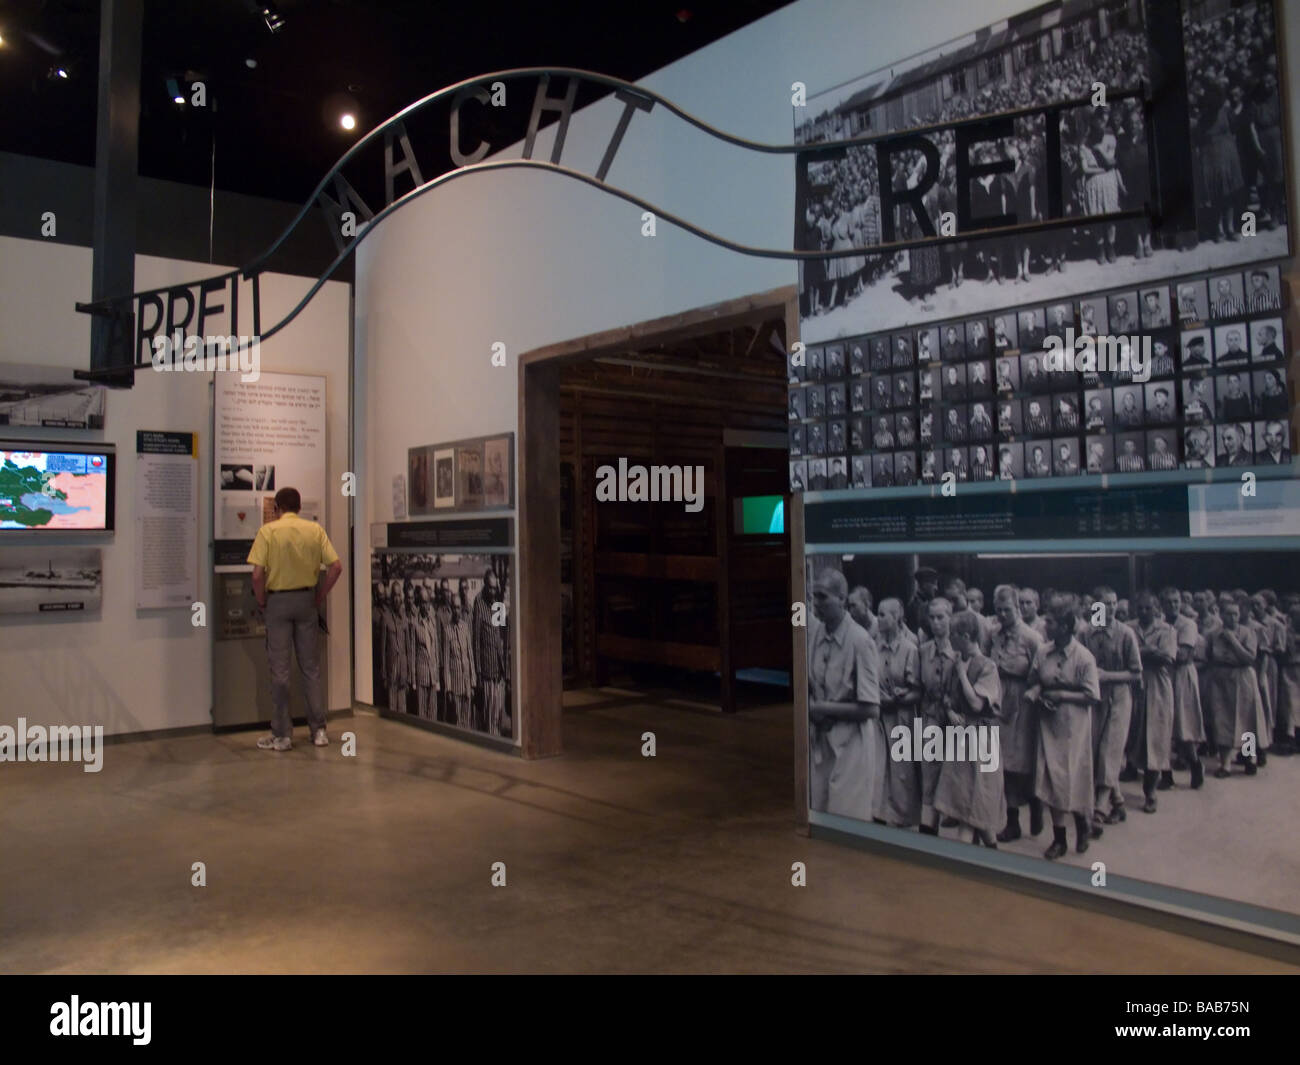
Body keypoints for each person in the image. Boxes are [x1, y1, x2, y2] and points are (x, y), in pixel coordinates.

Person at [248, 487, 343, 750]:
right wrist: (320, 595)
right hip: (306, 602)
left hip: (277, 602)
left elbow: (257, 576)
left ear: (277, 508)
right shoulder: (315, 530)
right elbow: (336, 566)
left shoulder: (268, 532)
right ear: (300, 507)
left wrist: (262, 601)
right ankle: (318, 731)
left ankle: (282, 735)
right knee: (310, 669)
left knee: (280, 672)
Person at [1025, 594, 1101, 859]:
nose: (1046, 626)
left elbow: (1092, 695)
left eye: (1052, 622)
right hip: (1048, 725)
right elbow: (1034, 679)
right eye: (1046, 620)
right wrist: (1035, 691)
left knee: (1074, 777)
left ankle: (1082, 824)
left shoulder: (1084, 658)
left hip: (1074, 727)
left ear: (1067, 626)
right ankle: (1059, 839)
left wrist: (1062, 695)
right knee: (1051, 780)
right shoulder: (1043, 652)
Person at [808, 568, 886, 821]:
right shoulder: (816, 635)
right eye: (813, 596)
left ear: (842, 599)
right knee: (819, 815)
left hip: (852, 747)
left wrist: (821, 709)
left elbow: (871, 708)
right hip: (821, 744)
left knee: (846, 820)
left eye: (822, 597)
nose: (816, 603)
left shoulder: (860, 641)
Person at [934, 612, 1004, 847]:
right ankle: (990, 849)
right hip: (960, 740)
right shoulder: (956, 661)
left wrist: (963, 673)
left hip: (981, 742)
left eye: (952, 634)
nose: (948, 638)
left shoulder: (987, 666)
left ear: (965, 636)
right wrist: (951, 712)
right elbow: (946, 697)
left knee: (976, 804)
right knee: (966, 805)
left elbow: (976, 703)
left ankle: (966, 861)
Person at [988, 586, 1043, 843]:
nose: (1002, 614)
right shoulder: (993, 634)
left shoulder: (1032, 638)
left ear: (1017, 608)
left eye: (1007, 609)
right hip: (1000, 700)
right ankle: (1012, 822)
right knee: (1004, 764)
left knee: (1023, 762)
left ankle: (1035, 802)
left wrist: (1033, 693)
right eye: (998, 610)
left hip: (1023, 703)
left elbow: (1042, 674)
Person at [1085, 586, 1142, 826]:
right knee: (1099, 749)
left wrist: (1108, 675)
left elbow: (1136, 673)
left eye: (1114, 602)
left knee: (1111, 749)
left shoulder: (1126, 634)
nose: (1111, 607)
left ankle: (1099, 809)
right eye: (1106, 603)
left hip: (1119, 696)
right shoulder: (1086, 632)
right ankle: (1117, 803)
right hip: (1095, 697)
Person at [877, 599, 922, 828]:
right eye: (878, 614)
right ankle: (882, 815)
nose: (879, 619)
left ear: (896, 618)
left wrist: (897, 698)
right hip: (880, 718)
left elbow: (917, 692)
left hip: (902, 717)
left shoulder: (910, 649)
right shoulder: (874, 646)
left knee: (903, 771)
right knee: (881, 767)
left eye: (884, 614)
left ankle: (904, 819)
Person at [1131, 591, 1177, 813]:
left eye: (1148, 608)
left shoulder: (1167, 630)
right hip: (1135, 685)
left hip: (1158, 685)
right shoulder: (1129, 628)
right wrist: (1149, 651)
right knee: (1134, 735)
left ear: (1156, 609)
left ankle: (1151, 792)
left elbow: (1167, 657)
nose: (1143, 612)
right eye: (1140, 608)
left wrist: (1143, 652)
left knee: (1156, 738)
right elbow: (1125, 656)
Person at [1204, 597, 1258, 778]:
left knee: (1246, 720)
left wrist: (1233, 641)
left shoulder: (1248, 633)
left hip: (1243, 677)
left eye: (1236, 614)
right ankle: (1225, 763)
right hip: (1221, 678)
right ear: (1221, 614)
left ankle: (1250, 758)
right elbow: (1207, 656)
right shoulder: (1212, 634)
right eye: (1228, 614)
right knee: (1222, 720)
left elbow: (1249, 658)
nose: (1233, 618)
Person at [917, 597, 958, 834]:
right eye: (932, 618)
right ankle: (928, 825)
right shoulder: (923, 651)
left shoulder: (960, 650)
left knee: (954, 771)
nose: (935, 623)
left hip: (954, 719)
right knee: (929, 770)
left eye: (940, 617)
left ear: (950, 618)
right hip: (931, 714)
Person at [1162, 588, 1205, 791]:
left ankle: (1195, 764)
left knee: (1183, 724)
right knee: (1161, 726)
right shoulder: (1160, 624)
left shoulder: (1188, 625)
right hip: (1163, 676)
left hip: (1182, 676)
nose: (1173, 606)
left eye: (1176, 601)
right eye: (1169, 602)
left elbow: (1183, 656)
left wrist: (1158, 651)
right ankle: (1166, 773)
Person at [473, 569, 509, 736]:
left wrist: (506, 673)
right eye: (490, 588)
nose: (493, 591)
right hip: (486, 673)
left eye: (495, 588)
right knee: (488, 722)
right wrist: (478, 675)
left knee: (498, 719)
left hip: (499, 673)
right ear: (485, 585)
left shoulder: (499, 605)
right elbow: (476, 642)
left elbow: (502, 639)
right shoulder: (478, 603)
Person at [443, 594, 476, 728]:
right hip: (455, 686)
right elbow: (445, 662)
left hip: (467, 683)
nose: (456, 611)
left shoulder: (465, 627)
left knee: (466, 722)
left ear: (461, 609)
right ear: (451, 609)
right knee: (456, 724)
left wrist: (473, 683)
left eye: (458, 608)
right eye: (454, 608)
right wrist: (448, 688)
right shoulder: (447, 630)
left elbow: (470, 656)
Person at [412, 584, 441, 721]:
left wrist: (437, 677)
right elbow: (412, 652)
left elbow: (435, 650)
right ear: (419, 603)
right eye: (423, 602)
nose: (425, 606)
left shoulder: (433, 622)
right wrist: (413, 679)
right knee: (421, 714)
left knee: (433, 714)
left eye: (427, 602)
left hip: (433, 675)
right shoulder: (415, 623)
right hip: (421, 675)